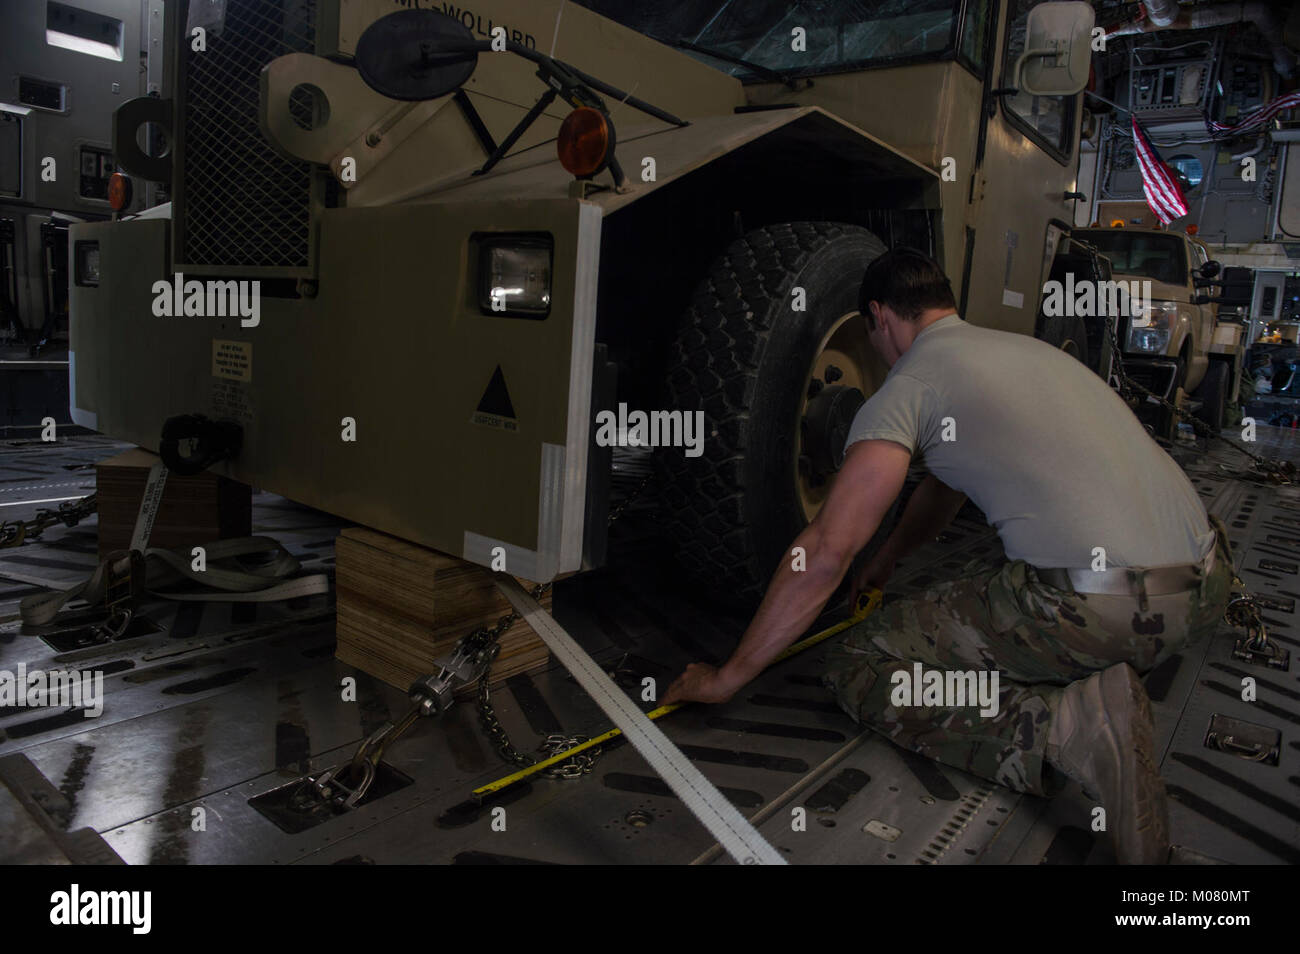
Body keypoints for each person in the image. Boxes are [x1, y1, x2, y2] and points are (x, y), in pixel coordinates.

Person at [662, 247, 1232, 864]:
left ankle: (1064, 729)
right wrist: (891, 558)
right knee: (992, 576)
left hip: (1110, 609)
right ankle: (1095, 674)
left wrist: (729, 676)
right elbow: (947, 483)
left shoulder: (910, 387)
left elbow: (825, 551)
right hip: (1205, 585)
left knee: (857, 658)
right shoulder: (1020, 352)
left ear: (878, 317)